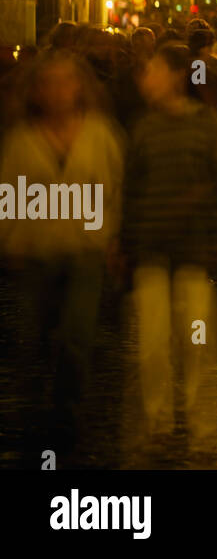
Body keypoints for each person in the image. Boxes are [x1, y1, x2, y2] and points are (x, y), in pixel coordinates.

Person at [123, 42, 217, 452]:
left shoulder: (209, 126)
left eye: (153, 70)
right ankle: (160, 422)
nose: (146, 79)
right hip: (152, 255)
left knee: (198, 347)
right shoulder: (142, 128)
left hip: (197, 254)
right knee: (153, 348)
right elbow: (127, 192)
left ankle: (202, 428)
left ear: (176, 77)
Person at [0, 52, 124, 453]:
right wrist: (9, 238)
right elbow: (8, 193)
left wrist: (115, 238)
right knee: (32, 336)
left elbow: (116, 188)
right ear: (37, 92)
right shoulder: (22, 139)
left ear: (79, 88)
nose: (57, 92)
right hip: (36, 253)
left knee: (77, 335)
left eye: (65, 82)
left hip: (85, 251)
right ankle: (34, 408)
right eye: (48, 83)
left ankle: (65, 412)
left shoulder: (100, 133)